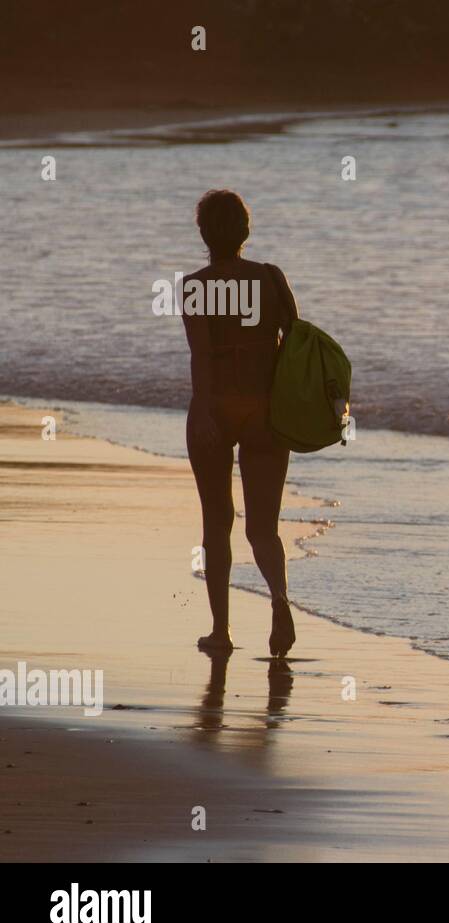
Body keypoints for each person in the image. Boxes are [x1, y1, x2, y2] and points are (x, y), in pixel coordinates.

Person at [182, 189, 296, 658]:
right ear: (246, 232)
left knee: (217, 522)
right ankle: (281, 601)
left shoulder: (194, 285)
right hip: (265, 410)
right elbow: (297, 343)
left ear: (203, 234)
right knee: (263, 528)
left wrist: (208, 409)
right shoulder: (270, 278)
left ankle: (221, 631)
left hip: (215, 409)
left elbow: (202, 355)